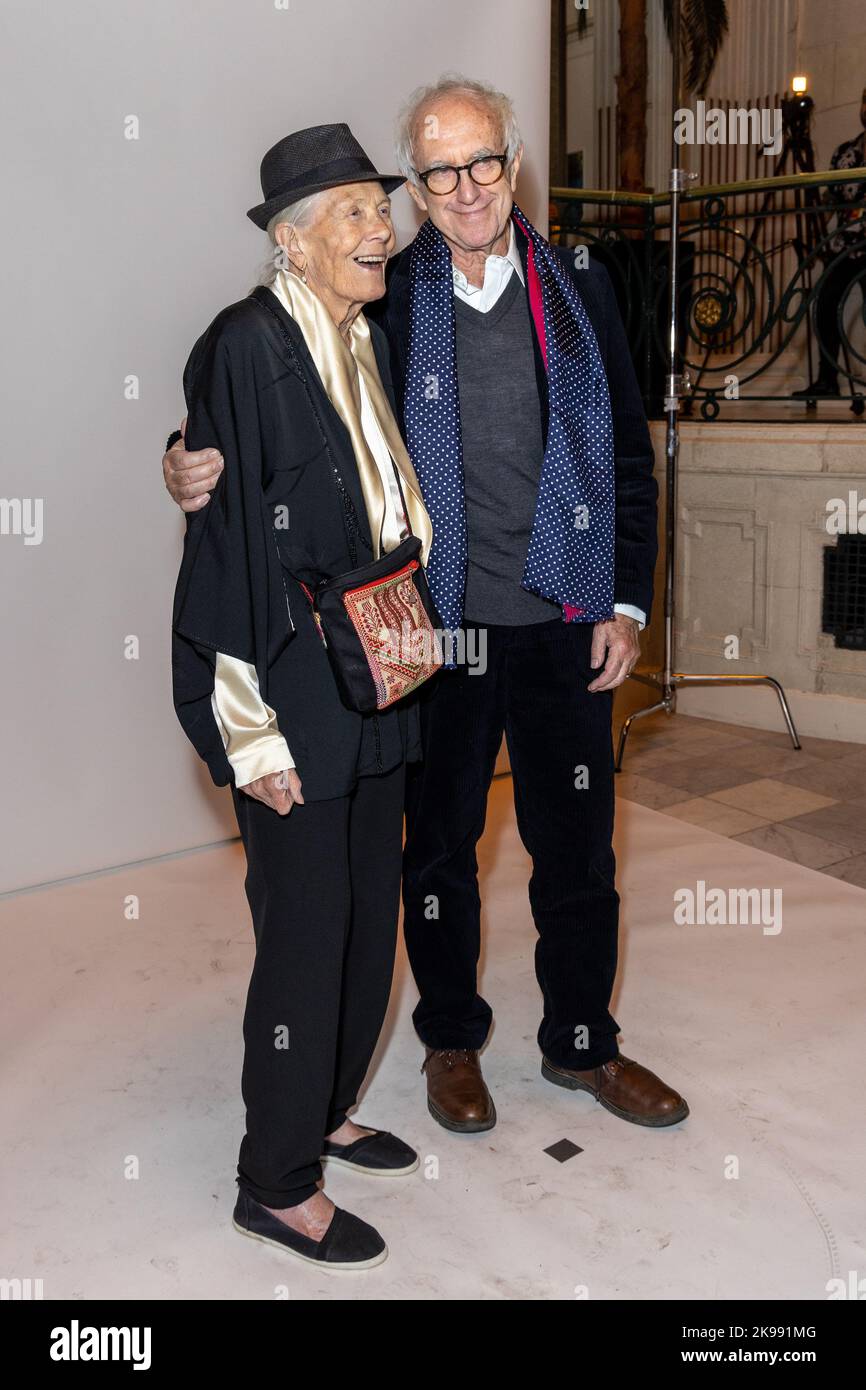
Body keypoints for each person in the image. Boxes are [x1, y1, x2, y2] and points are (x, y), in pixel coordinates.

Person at [166, 77, 688, 1141]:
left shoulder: (581, 282)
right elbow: (274, 401)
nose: (464, 188)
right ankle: (449, 1037)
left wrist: (625, 599)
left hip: (562, 615)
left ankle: (581, 1039)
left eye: (482, 161)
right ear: (413, 187)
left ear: (513, 161)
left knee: (577, 852)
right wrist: (181, 462)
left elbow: (627, 455)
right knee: (438, 852)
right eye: (438, 171)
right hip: (430, 631)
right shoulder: (382, 291)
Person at [171, 123, 435, 1269]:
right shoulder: (245, 343)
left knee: (367, 915)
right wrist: (246, 735)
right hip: (290, 694)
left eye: (380, 209)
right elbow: (222, 550)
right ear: (291, 242)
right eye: (352, 215)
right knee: (304, 933)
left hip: (374, 670)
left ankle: (324, 1107)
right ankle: (274, 1179)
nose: (381, 228)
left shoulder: (356, 334)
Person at [794, 85, 866, 400]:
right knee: (825, 303)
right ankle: (827, 380)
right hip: (844, 247)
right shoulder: (846, 151)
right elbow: (829, 200)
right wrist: (818, 234)